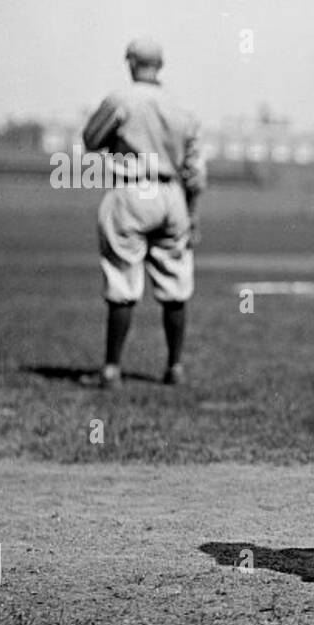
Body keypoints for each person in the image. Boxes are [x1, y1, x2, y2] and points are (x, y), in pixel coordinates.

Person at [83, 38, 204, 388]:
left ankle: (111, 369)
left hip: (133, 188)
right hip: (172, 194)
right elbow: (196, 172)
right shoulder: (183, 108)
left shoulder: (122, 99)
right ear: (161, 65)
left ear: (132, 62)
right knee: (176, 283)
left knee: (122, 280)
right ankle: (175, 367)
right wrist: (192, 214)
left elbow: (91, 139)